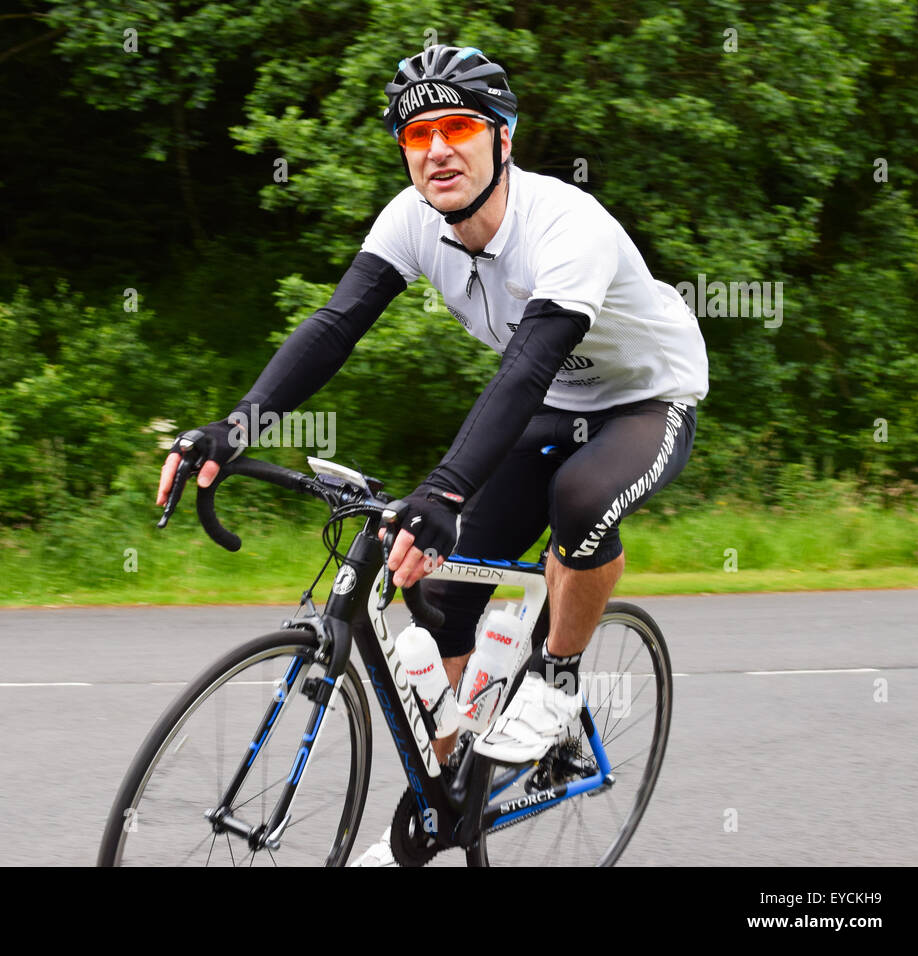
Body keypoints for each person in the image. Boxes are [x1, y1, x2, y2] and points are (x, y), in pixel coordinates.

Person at [155, 44, 708, 864]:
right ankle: (453, 803)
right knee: (439, 591)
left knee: (581, 501)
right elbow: (335, 326)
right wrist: (233, 429)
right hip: (554, 401)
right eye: (417, 135)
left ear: (504, 139)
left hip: (645, 398)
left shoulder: (565, 226)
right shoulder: (414, 218)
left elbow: (526, 365)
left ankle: (556, 679)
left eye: (457, 127)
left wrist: (444, 491)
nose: (437, 149)